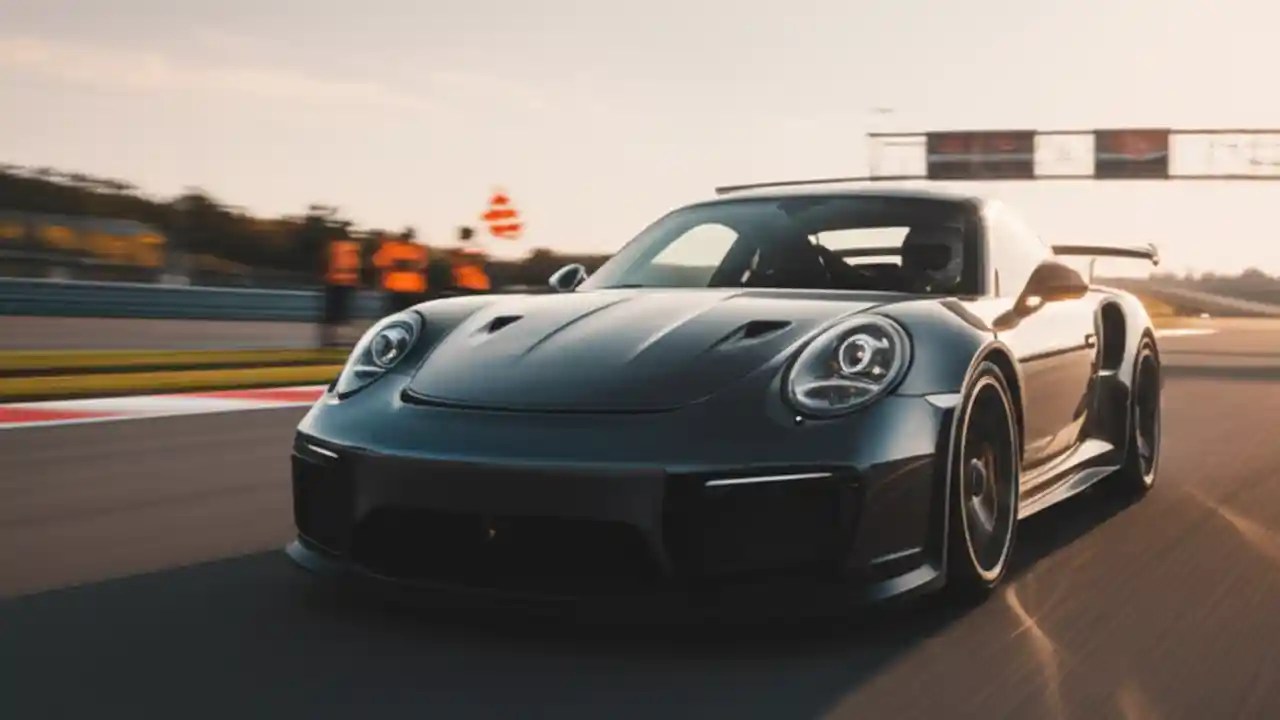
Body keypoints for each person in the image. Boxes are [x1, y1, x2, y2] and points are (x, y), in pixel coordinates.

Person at [374, 228, 429, 314]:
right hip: (398, 285)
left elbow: (423, 265)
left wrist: (399, 264)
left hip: (409, 286)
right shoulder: (392, 248)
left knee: (402, 311)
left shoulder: (417, 249)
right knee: (401, 310)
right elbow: (379, 263)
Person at [321, 235, 361, 347]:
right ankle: (331, 340)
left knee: (339, 314)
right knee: (336, 314)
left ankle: (333, 339)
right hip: (339, 283)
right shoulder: (349, 247)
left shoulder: (339, 247)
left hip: (341, 283)